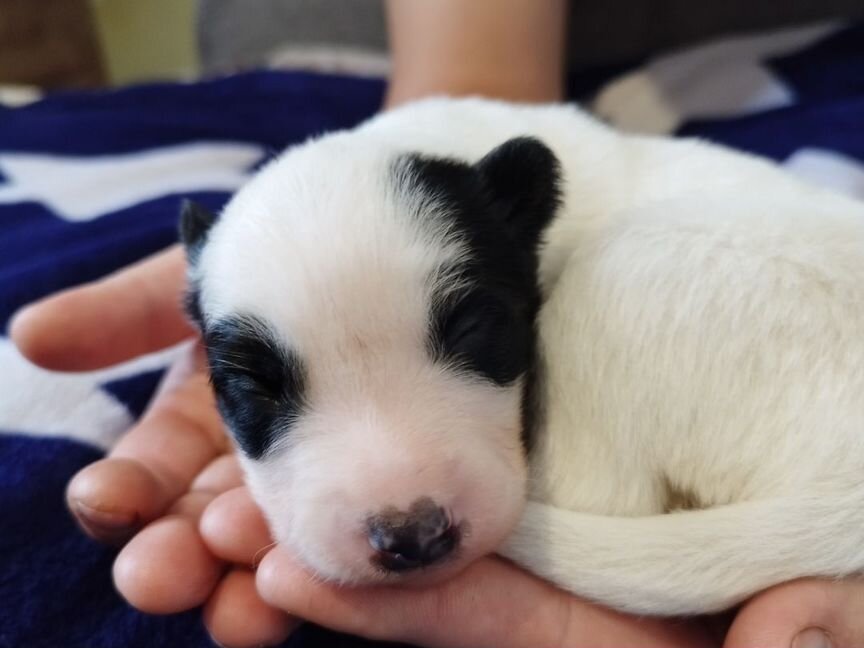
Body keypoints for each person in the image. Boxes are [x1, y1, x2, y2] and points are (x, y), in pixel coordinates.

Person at [10, 2, 864, 647]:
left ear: (523, 211)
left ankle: (624, 504)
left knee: (643, 272)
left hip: (817, 387)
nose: (404, 511)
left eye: (466, 334)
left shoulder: (611, 225)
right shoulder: (315, 234)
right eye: (255, 381)